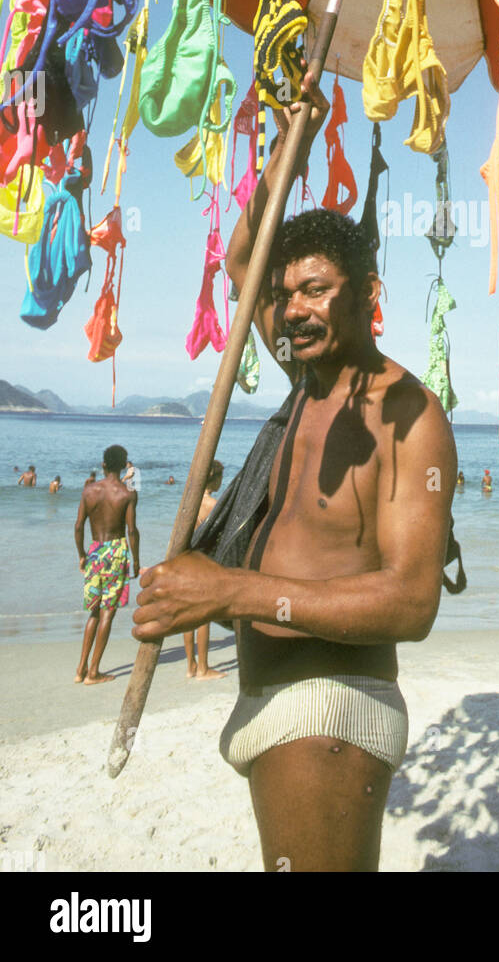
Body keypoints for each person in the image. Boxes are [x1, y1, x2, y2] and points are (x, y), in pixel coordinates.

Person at [133, 72, 457, 874]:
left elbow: (413, 601)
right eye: (288, 295)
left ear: (366, 296)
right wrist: (295, 138)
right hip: (278, 703)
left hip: (331, 710)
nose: (296, 309)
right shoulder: (309, 380)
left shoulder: (408, 415)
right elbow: (244, 261)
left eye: (318, 288)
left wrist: (230, 591)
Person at [75, 445, 140, 684]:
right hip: (117, 551)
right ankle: (93, 672)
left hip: (95, 550)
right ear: (124, 465)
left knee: (94, 611)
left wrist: (82, 553)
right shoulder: (128, 493)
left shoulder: (89, 490)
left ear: (103, 464)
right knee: (107, 614)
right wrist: (136, 560)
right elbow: (132, 530)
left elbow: (79, 526)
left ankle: (80, 669)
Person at [183, 461, 227, 681]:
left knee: (189, 614)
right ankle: (203, 668)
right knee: (203, 616)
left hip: (186, 559)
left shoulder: (189, 501)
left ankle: (190, 665)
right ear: (215, 479)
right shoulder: (212, 504)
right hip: (204, 561)